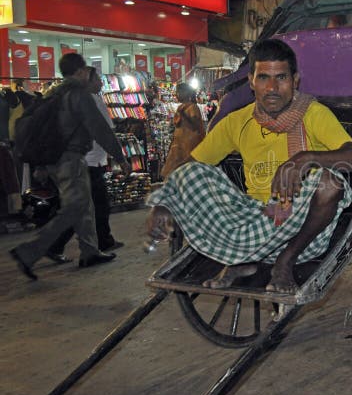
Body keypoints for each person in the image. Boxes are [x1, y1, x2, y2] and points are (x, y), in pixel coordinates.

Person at [145, 39, 352, 294]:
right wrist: (164, 202)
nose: (272, 88)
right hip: (251, 225)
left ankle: (285, 261)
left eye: (281, 77)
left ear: (295, 80)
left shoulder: (314, 114)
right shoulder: (236, 121)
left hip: (299, 229)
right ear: (251, 81)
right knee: (188, 174)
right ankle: (244, 260)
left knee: (330, 183)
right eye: (263, 78)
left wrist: (306, 159)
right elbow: (191, 167)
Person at [9, 54, 131, 281]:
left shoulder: (54, 93)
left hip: (54, 159)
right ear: (80, 72)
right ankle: (30, 251)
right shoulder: (79, 95)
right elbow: (100, 129)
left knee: (84, 205)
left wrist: (41, 165)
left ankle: (90, 252)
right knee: (75, 207)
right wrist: (120, 158)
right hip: (70, 159)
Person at [46, 68, 123, 262]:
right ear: (88, 81)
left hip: (75, 161)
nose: (101, 82)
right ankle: (56, 245)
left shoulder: (70, 100)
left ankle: (101, 242)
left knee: (90, 205)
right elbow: (106, 133)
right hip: (89, 162)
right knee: (91, 206)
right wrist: (121, 159)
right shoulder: (92, 101)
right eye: (98, 79)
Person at [161, 83, 206, 179]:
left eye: (178, 92)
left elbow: (196, 123)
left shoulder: (193, 107)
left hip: (189, 145)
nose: (176, 95)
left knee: (187, 170)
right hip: (179, 144)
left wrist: (184, 115)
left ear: (186, 93)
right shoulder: (181, 107)